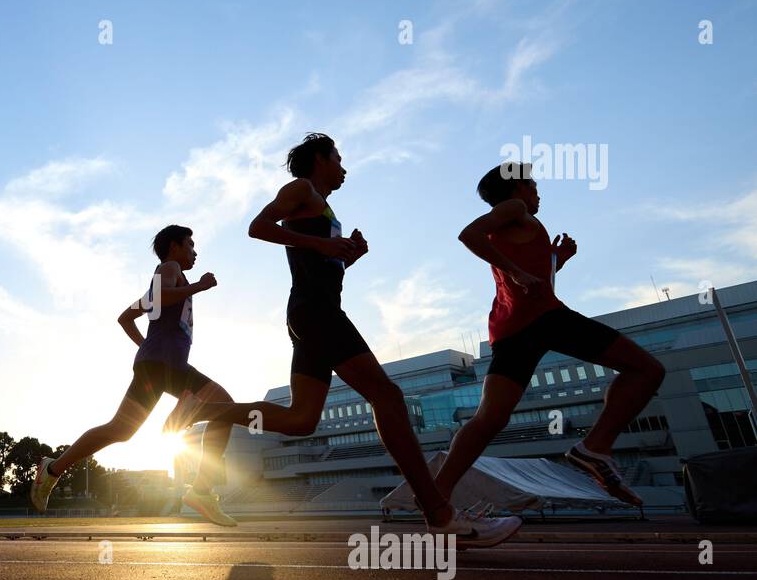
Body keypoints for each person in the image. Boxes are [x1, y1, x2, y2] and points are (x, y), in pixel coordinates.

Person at [165, 133, 521, 547]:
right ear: (320, 159)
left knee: (301, 421)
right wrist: (323, 243)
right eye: (338, 157)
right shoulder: (301, 189)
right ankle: (440, 514)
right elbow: (257, 227)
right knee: (387, 397)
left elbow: (318, 262)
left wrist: (345, 257)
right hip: (317, 313)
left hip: (312, 312)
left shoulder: (322, 204)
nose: (344, 165)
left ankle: (213, 409)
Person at [433, 162, 666, 505]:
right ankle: (595, 447)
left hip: (512, 330)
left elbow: (533, 275)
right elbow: (469, 235)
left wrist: (557, 258)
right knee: (647, 369)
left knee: (490, 418)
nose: (537, 193)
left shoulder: (520, 222)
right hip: (545, 320)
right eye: (533, 186)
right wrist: (515, 273)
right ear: (519, 188)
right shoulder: (514, 208)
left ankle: (437, 493)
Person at [30, 225, 239, 526]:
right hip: (166, 367)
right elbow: (162, 296)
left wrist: (147, 347)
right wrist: (199, 287)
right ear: (174, 247)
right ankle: (201, 486)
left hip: (159, 365)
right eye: (190, 244)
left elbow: (125, 317)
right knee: (226, 407)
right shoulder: (169, 269)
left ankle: (52, 469)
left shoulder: (160, 286)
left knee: (120, 430)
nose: (195, 251)